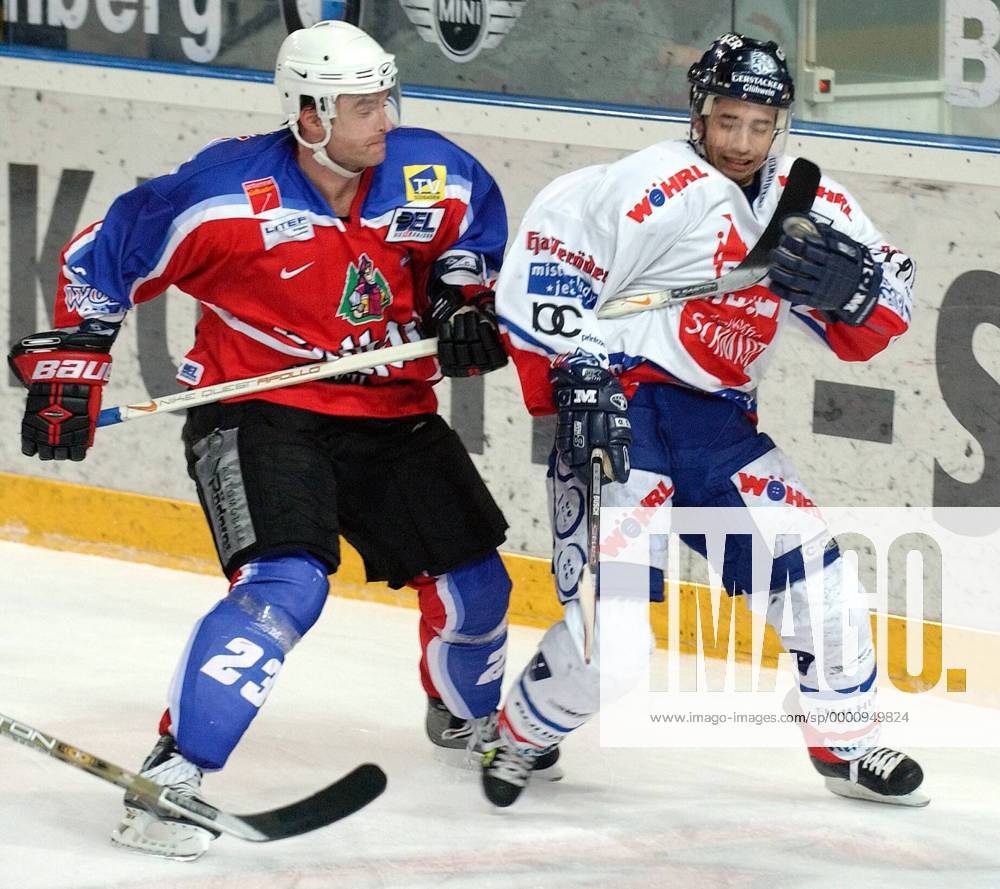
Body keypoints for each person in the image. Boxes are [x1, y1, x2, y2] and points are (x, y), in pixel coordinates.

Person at [8, 21, 516, 859]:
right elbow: (107, 254)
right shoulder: (226, 193)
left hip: (392, 413)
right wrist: (76, 359)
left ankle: (467, 718)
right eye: (362, 106)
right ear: (308, 117)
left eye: (387, 97)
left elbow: (467, 244)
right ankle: (173, 772)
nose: (384, 119)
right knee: (286, 584)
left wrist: (459, 304)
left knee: (480, 589)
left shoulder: (434, 167)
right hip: (261, 412)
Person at [488, 33, 925, 808]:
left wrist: (853, 287)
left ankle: (844, 739)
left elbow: (888, 303)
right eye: (728, 121)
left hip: (721, 433)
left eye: (761, 126)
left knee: (825, 588)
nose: (742, 143)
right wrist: (574, 371)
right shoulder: (653, 183)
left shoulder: (807, 194)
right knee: (617, 649)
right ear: (700, 111)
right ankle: (519, 728)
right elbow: (549, 265)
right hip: (627, 425)